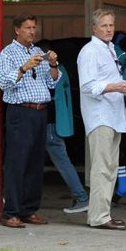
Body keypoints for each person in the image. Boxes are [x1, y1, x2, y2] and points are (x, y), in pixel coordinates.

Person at [0, 13, 60, 228]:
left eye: (34, 27)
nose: (33, 31)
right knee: (17, 162)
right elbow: (3, 82)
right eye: (28, 28)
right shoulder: (7, 53)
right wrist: (24, 67)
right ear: (17, 30)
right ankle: (10, 212)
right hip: (21, 112)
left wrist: (53, 64)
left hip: (40, 112)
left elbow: (52, 84)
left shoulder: (38, 51)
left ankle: (29, 209)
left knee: (35, 163)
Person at [77, 9, 126, 231]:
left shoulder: (109, 49)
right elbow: (88, 86)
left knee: (110, 167)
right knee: (101, 167)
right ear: (94, 28)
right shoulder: (90, 51)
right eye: (104, 26)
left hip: (113, 115)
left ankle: (102, 214)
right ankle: (99, 217)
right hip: (100, 116)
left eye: (111, 25)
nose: (109, 29)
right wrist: (116, 86)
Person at [48, 67, 89, 214]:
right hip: (57, 123)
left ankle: (82, 197)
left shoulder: (46, 68)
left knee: (61, 162)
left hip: (48, 124)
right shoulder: (62, 69)